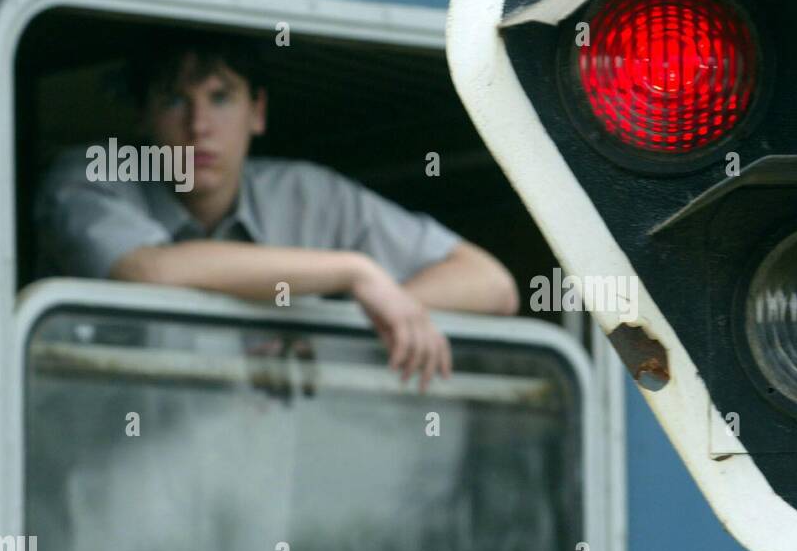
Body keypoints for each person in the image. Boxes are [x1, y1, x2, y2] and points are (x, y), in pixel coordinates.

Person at [35, 29, 519, 391]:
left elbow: (491, 285)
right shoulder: (91, 176)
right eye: (174, 99)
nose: (199, 125)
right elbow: (146, 269)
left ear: (257, 112)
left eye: (220, 97)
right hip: (107, 485)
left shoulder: (307, 195)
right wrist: (355, 274)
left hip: (265, 496)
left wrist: (335, 338)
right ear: (141, 116)